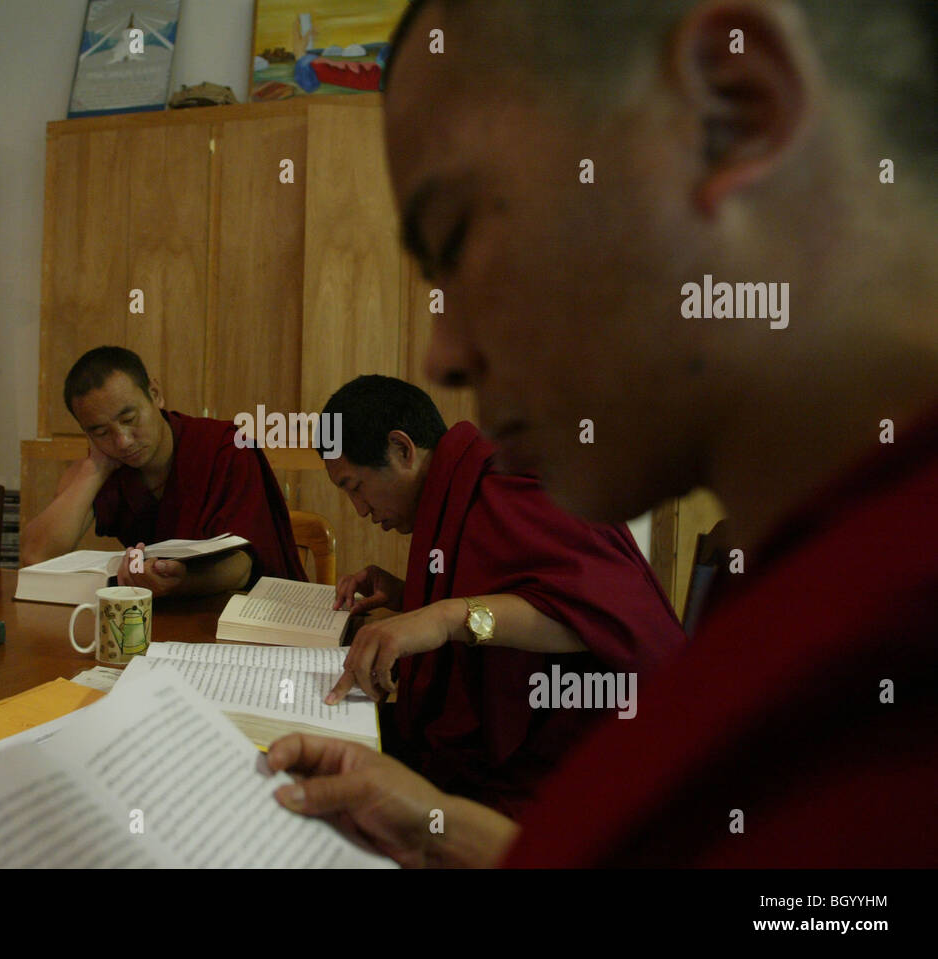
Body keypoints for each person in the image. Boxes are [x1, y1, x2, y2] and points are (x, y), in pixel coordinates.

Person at [268, 0, 938, 866]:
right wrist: (440, 830)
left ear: (731, 115)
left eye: (459, 235)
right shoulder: (826, 591)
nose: (444, 354)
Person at [320, 374, 684, 816]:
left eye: (355, 487)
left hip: (578, 773)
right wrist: (408, 594)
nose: (360, 511)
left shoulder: (514, 481)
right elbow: (514, 588)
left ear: (402, 450)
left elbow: (598, 616)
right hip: (491, 754)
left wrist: (444, 615)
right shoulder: (460, 489)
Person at [21, 346, 305, 594]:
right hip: (161, 618)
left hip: (243, 615)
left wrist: (181, 582)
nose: (122, 441)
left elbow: (240, 567)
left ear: (155, 394)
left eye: (129, 419)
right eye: (100, 431)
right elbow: (36, 555)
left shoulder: (225, 447)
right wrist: (95, 467)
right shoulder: (108, 464)